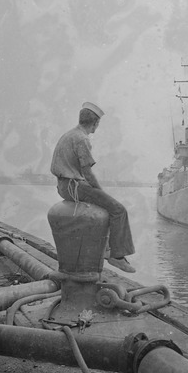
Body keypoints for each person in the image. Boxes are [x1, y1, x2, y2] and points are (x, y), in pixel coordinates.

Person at [50, 101, 136, 273]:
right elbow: (87, 172)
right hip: (74, 186)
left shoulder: (69, 135)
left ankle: (107, 249)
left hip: (63, 186)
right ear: (95, 123)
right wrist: (99, 192)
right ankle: (117, 256)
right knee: (118, 210)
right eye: (98, 123)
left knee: (106, 208)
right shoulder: (82, 139)